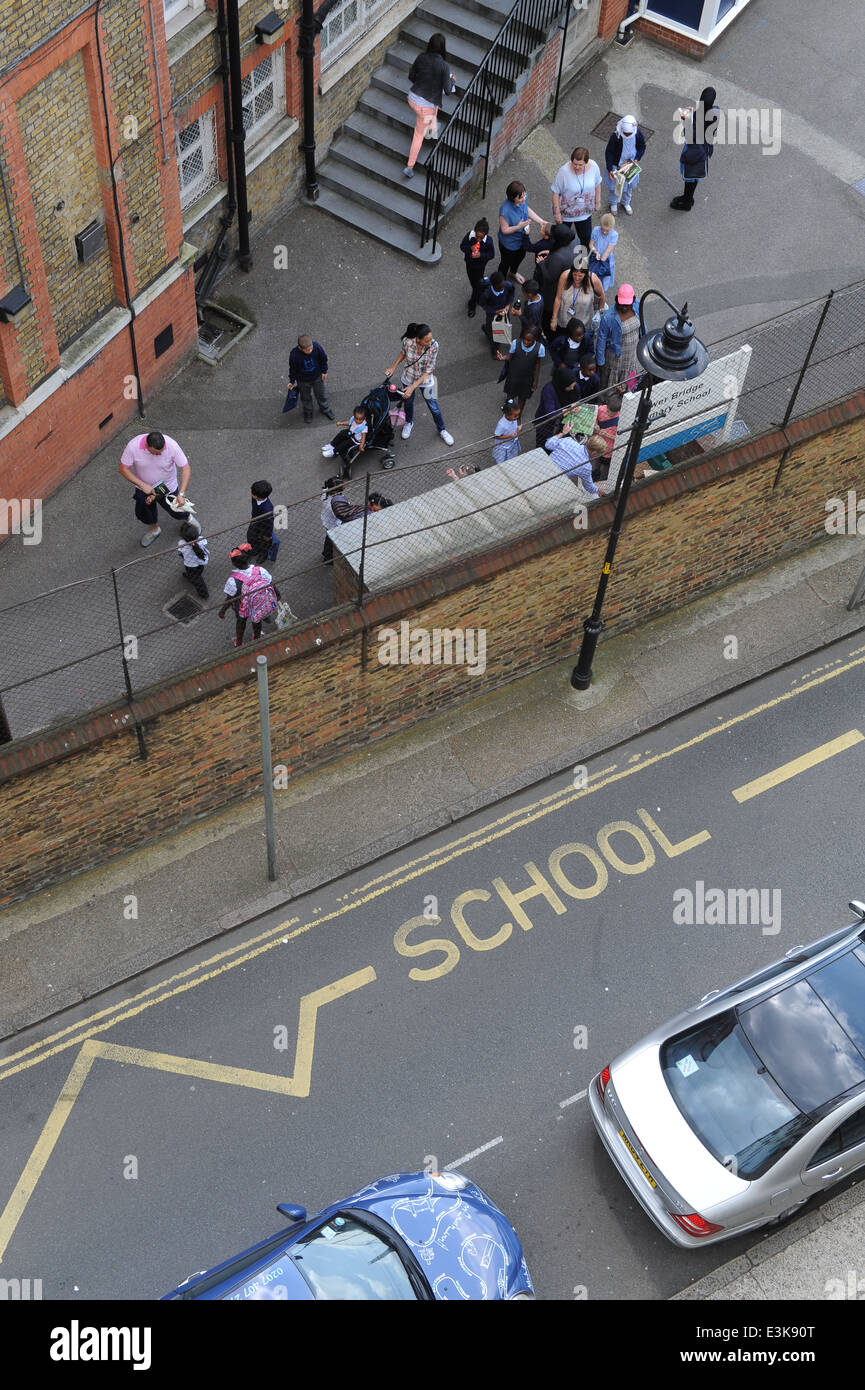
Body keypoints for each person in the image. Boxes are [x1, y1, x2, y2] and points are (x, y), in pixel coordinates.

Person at [119, 429, 192, 547]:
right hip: (144, 488)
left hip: (167, 485)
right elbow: (123, 469)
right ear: (147, 446)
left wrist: (181, 494)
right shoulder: (133, 446)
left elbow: (186, 469)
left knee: (177, 509)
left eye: (162, 451)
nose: (160, 454)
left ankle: (189, 519)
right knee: (146, 511)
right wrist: (142, 485)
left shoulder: (171, 445)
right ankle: (154, 530)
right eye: (156, 453)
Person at [384, 323, 454, 444]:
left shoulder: (434, 346)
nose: (430, 342)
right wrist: (393, 367)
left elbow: (428, 371)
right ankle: (409, 422)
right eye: (427, 340)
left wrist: (412, 387)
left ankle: (442, 430)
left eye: (431, 339)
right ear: (418, 339)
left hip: (426, 382)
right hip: (408, 378)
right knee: (408, 403)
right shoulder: (408, 341)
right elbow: (403, 353)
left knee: (434, 407)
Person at [403, 34, 456, 178]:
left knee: (434, 106)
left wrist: (424, 82)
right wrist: (452, 80)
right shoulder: (444, 66)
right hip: (424, 106)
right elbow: (448, 91)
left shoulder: (421, 57)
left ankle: (432, 129)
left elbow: (411, 76)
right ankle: (409, 166)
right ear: (443, 47)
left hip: (412, 97)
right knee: (419, 134)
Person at [218, 544, 280, 646]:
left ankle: (239, 642)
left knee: (241, 623)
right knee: (257, 621)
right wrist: (277, 594)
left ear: (234, 564)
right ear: (249, 559)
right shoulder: (260, 570)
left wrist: (222, 611)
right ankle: (256, 637)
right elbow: (270, 583)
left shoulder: (233, 580)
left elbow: (229, 598)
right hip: (257, 604)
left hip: (242, 607)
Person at [671, 87, 718, 210]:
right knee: (696, 176)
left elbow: (689, 135)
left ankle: (686, 201)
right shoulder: (715, 113)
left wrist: (686, 119)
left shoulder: (694, 119)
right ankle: (689, 198)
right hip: (705, 150)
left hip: (693, 152)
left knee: (689, 177)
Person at [595, 283, 640, 403]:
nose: (625, 308)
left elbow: (642, 325)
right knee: (609, 385)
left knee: (628, 381)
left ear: (633, 301)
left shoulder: (637, 306)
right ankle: (608, 404)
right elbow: (601, 339)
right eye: (622, 304)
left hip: (630, 356)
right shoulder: (608, 317)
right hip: (615, 359)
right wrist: (600, 362)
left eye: (627, 305)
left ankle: (626, 401)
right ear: (617, 300)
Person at [550, 146, 602, 248]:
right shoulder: (563, 172)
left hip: (585, 211)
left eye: (580, 165)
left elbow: (597, 184)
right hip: (566, 212)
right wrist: (557, 213)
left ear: (586, 162)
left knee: (585, 238)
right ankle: (559, 259)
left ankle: (582, 259)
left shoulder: (594, 167)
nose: (577, 167)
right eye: (574, 164)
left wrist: (597, 201)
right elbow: (555, 192)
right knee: (561, 238)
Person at [551, 247, 606, 337]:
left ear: (586, 274)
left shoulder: (593, 279)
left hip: (583, 323)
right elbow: (558, 298)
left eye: (580, 276)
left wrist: (600, 313)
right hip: (565, 320)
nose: (577, 278)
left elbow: (602, 296)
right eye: (575, 275)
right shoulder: (565, 276)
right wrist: (554, 319)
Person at [536, 222, 576, 340]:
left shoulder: (558, 257)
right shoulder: (574, 242)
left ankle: (549, 335)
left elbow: (549, 277)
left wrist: (542, 263)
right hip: (569, 284)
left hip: (554, 290)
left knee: (548, 314)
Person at [497, 180, 544, 280]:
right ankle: (500, 283)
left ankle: (513, 273)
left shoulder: (523, 198)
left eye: (524, 195)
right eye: (521, 197)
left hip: (522, 238)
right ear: (512, 198)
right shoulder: (505, 210)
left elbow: (526, 208)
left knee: (520, 255)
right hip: (509, 243)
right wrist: (518, 227)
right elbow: (504, 230)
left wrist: (540, 221)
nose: (524, 198)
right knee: (505, 263)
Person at [543, 424, 606, 495]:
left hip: (543, 467)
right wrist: (602, 492)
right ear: (594, 453)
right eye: (599, 454)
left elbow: (548, 444)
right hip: (552, 482)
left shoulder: (569, 441)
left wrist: (563, 433)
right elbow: (589, 487)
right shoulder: (586, 466)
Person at [604, 115, 646, 216]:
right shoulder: (615, 136)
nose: (627, 135)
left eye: (629, 134)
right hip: (617, 166)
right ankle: (613, 203)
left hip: (630, 165)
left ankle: (625, 202)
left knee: (629, 187)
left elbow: (642, 147)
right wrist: (610, 168)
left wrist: (636, 159)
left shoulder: (638, 134)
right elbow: (609, 152)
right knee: (615, 187)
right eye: (626, 133)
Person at [287, 335, 335, 424]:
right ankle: (308, 411)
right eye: (307, 350)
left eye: (311, 348)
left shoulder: (316, 347)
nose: (310, 351)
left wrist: (324, 371)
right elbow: (293, 369)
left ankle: (325, 409)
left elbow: (323, 359)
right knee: (305, 398)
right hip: (302, 380)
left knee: (321, 395)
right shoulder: (294, 355)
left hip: (317, 377)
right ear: (300, 348)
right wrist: (292, 381)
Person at [497, 325, 545, 409]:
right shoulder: (516, 343)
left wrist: (535, 381)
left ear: (535, 339)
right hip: (513, 375)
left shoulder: (540, 348)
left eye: (529, 340)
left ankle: (518, 416)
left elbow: (537, 364)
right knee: (510, 395)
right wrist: (503, 358)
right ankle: (508, 410)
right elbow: (510, 356)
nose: (525, 342)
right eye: (524, 339)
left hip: (527, 378)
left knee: (522, 398)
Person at [320, 477, 366, 563]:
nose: (344, 485)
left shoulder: (326, 493)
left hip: (327, 520)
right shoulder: (331, 505)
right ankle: (328, 558)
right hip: (333, 524)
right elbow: (340, 516)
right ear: (334, 491)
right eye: (341, 485)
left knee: (329, 539)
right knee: (332, 540)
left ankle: (326, 554)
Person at [534, 363, 579, 449]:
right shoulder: (548, 390)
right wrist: (570, 410)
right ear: (563, 384)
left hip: (562, 424)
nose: (572, 389)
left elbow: (578, 397)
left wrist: (576, 404)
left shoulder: (573, 385)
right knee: (543, 444)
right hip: (546, 424)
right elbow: (551, 414)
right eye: (569, 387)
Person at [460, 218, 495, 317]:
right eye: (477, 236)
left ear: (485, 234)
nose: (478, 239)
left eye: (481, 237)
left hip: (480, 267)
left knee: (476, 287)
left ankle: (472, 305)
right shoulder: (470, 236)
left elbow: (491, 255)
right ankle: (480, 294)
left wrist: (481, 255)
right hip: (469, 265)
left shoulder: (488, 241)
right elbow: (462, 246)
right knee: (474, 283)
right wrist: (470, 248)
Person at [321, 405, 368, 478]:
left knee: (344, 444)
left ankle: (333, 451)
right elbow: (349, 423)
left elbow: (363, 438)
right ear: (354, 416)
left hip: (355, 440)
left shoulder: (364, 427)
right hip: (350, 433)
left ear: (364, 418)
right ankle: (332, 445)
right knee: (341, 433)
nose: (358, 421)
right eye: (356, 418)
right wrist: (341, 423)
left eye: (360, 419)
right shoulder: (353, 419)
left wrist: (361, 446)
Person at [477, 271, 515, 358]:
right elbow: (483, 304)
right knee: (494, 333)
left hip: (504, 311)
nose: (502, 288)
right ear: (493, 285)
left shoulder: (507, 285)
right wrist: (495, 311)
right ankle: (495, 350)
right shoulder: (487, 294)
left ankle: (486, 329)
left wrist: (507, 305)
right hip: (492, 314)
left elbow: (511, 293)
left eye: (503, 285)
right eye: (500, 287)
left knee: (504, 326)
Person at [247, 480, 279, 567]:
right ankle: (255, 549)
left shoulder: (267, 509)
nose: (251, 494)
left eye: (252, 493)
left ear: (259, 497)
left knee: (264, 543)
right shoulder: (255, 498)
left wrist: (268, 536)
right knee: (251, 537)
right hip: (255, 522)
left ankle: (263, 554)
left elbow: (269, 524)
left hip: (263, 528)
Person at [177, 522, 209, 599]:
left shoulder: (182, 543)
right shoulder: (201, 540)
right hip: (201, 560)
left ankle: (204, 594)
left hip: (190, 564)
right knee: (199, 570)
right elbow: (204, 543)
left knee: (196, 579)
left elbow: (180, 551)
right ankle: (193, 576)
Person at [588, 213, 618, 291]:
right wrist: (596, 252)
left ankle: (601, 294)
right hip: (595, 256)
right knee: (592, 279)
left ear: (611, 227)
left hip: (606, 260)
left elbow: (607, 252)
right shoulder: (596, 230)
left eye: (607, 230)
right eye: (602, 229)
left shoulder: (614, 235)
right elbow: (591, 244)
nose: (604, 232)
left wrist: (600, 263)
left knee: (603, 280)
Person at [492, 400, 522, 465]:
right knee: (502, 461)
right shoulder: (502, 425)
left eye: (518, 415)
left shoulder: (513, 419)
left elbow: (517, 422)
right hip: (504, 445)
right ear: (508, 415)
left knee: (511, 456)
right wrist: (510, 436)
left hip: (511, 442)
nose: (517, 417)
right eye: (516, 416)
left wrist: (518, 427)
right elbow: (495, 436)